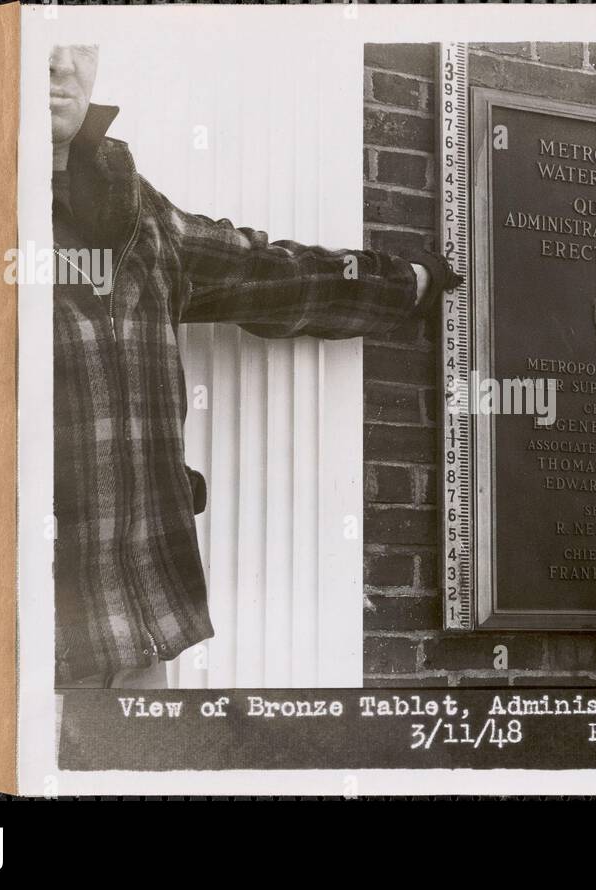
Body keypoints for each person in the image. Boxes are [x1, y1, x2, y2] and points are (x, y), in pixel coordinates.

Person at [49, 45, 455, 688]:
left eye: (78, 39)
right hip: (24, 636)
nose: (58, 61)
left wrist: (410, 281)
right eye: (38, 29)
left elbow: (270, 275)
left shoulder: (141, 217)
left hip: (142, 631)